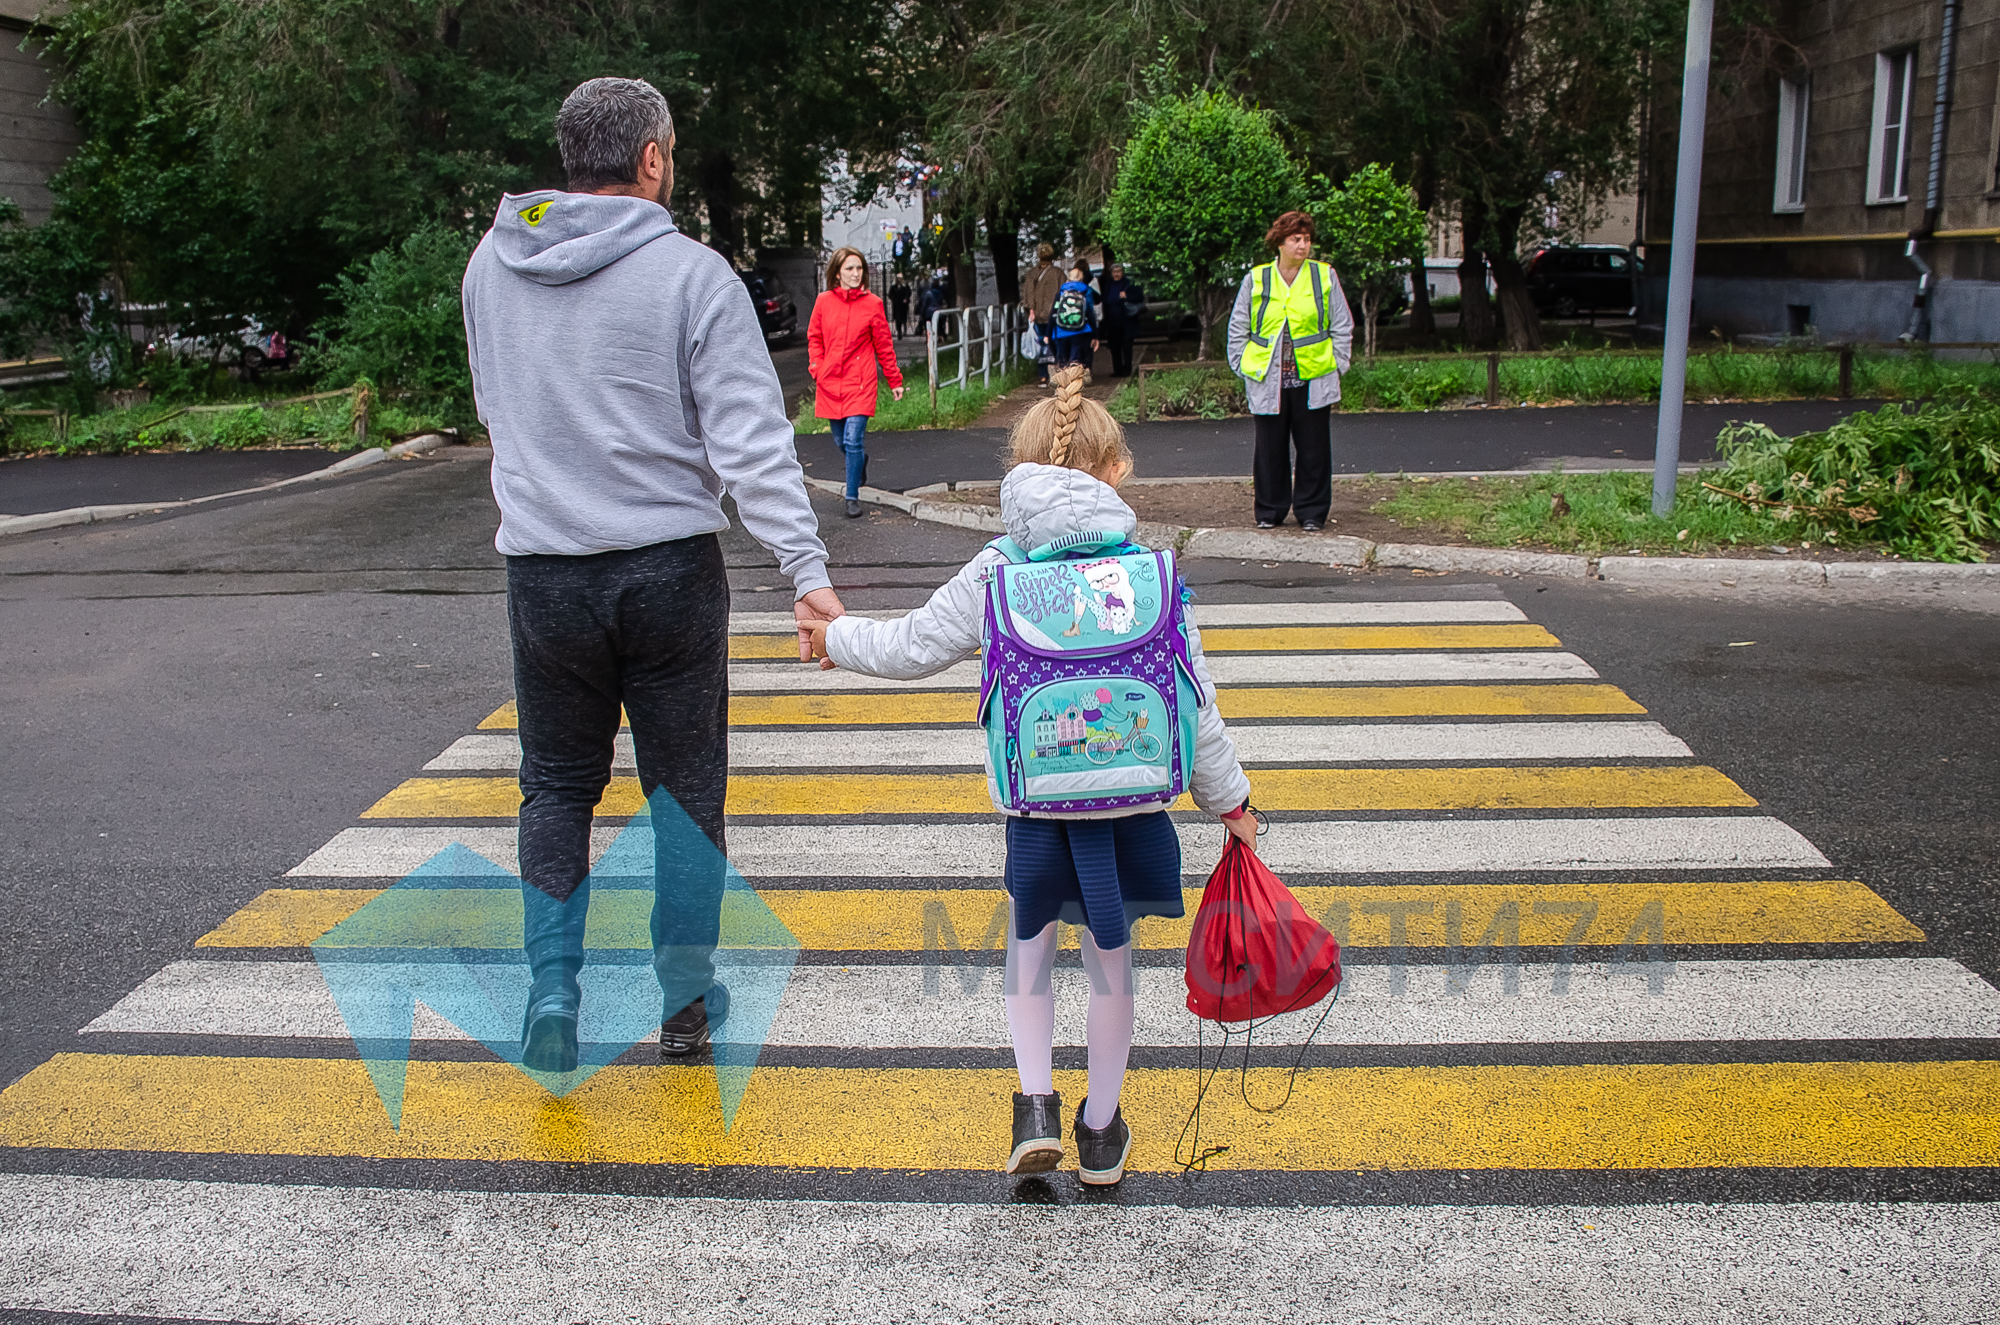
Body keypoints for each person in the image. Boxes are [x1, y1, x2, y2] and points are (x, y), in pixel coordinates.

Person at [460, 77, 845, 1073]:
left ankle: (553, 991)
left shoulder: (488, 269)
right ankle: (682, 1005)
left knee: (552, 791)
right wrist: (804, 570)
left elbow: (497, 413)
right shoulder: (693, 276)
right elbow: (752, 447)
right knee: (683, 796)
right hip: (667, 573)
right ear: (651, 161)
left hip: (543, 575)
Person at [802, 365, 1256, 1186]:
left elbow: (907, 647)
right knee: (1113, 966)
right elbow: (1197, 703)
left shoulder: (998, 568)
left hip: (1040, 813)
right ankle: (1101, 1129)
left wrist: (831, 638)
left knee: (1030, 957)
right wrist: (1234, 802)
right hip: (1131, 809)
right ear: (1114, 471)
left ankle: (1035, 1106)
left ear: (1021, 474)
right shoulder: (1151, 571)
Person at [1226, 210, 1352, 532]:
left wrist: (1339, 362)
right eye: (1296, 239)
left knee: (1314, 449)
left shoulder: (1324, 276)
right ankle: (1269, 510)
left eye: (1307, 239)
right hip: (1268, 379)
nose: (1303, 245)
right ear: (1280, 243)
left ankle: (1312, 511)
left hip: (1313, 377)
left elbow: (1341, 323)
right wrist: (1240, 363)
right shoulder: (1256, 279)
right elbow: (1239, 325)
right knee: (1269, 450)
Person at [808, 246, 905, 518]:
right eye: (849, 268)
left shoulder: (872, 304)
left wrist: (894, 379)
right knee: (841, 441)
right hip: (829, 383)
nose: (855, 273)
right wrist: (817, 367)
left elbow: (884, 345)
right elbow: (815, 337)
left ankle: (851, 496)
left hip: (860, 384)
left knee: (852, 440)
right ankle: (859, 462)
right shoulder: (824, 302)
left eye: (859, 268)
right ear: (837, 273)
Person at [1021, 243, 1063, 386]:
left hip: (1037, 314)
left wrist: (1031, 310)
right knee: (1055, 343)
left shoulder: (1031, 274)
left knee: (1040, 344)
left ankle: (1043, 375)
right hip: (1055, 314)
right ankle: (1056, 372)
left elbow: (1028, 294)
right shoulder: (1058, 273)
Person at [1049, 261, 1099, 372]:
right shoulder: (1085, 291)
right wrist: (1095, 335)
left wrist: (1048, 333)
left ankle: (1064, 379)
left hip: (1061, 330)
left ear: (1068, 279)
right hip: (1080, 330)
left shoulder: (1061, 293)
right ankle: (1074, 380)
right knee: (1075, 357)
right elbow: (1090, 314)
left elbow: (1053, 313)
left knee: (1063, 359)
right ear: (1081, 279)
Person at [1099, 263, 1140, 377]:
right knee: (1114, 346)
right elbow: (1104, 300)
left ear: (1122, 272)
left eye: (1118, 271)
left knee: (1126, 346)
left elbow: (1138, 298)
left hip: (1126, 321)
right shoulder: (1108, 285)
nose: (1116, 274)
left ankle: (1127, 370)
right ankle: (1117, 370)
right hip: (1112, 322)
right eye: (1114, 271)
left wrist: (1127, 297)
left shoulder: (1128, 284)